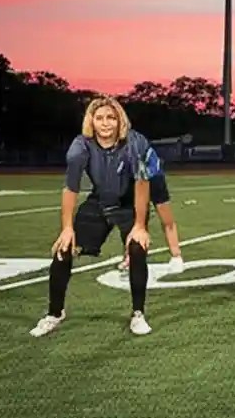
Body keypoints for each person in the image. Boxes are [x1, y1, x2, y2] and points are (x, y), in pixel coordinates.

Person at [29, 96, 155, 337]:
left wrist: (140, 225)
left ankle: (138, 313)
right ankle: (55, 313)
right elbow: (71, 188)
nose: (105, 123)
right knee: (64, 250)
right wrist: (67, 228)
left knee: (138, 247)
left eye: (111, 117)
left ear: (120, 121)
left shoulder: (135, 142)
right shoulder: (81, 146)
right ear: (91, 121)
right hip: (99, 201)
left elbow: (141, 182)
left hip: (129, 203)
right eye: (99, 118)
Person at [119, 144, 184, 275]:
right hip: (133, 178)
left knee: (165, 217)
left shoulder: (134, 145)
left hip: (153, 176)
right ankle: (132, 256)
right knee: (132, 220)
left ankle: (176, 256)